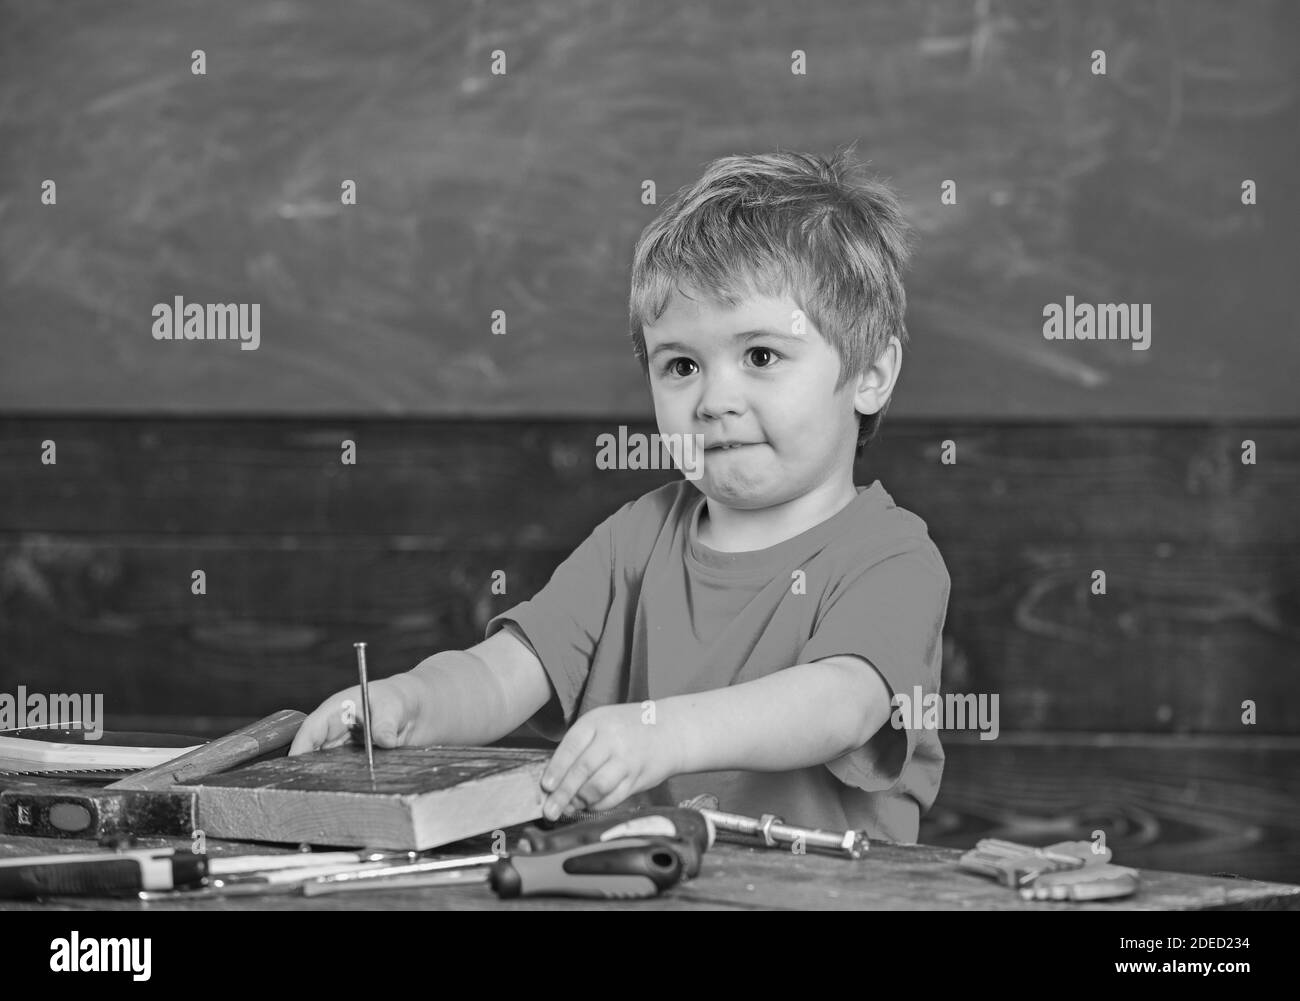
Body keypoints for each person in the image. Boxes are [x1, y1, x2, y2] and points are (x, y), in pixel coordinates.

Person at [291, 144, 950, 843]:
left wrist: (663, 731)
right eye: (681, 365)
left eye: (761, 355)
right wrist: (407, 703)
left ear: (871, 373)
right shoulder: (635, 538)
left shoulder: (893, 557)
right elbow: (505, 674)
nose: (714, 400)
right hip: (634, 883)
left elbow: (840, 703)